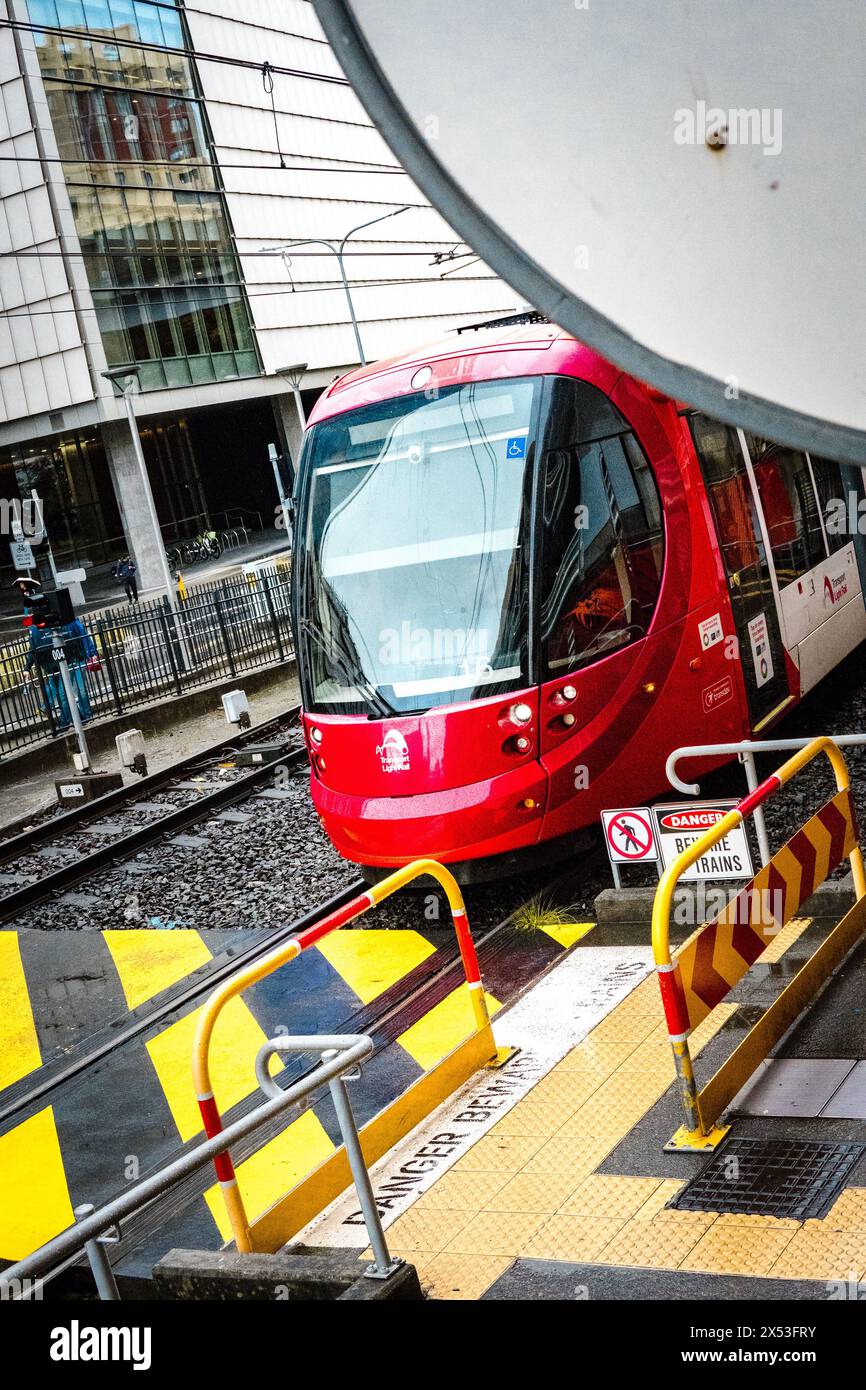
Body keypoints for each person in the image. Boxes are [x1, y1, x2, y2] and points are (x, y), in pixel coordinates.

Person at [25, 615, 95, 731]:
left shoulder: (61, 621)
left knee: (67, 693)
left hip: (69, 662)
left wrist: (89, 653)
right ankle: (79, 718)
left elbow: (79, 636)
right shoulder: (36, 629)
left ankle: (68, 721)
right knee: (64, 694)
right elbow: (33, 650)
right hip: (55, 666)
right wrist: (27, 668)